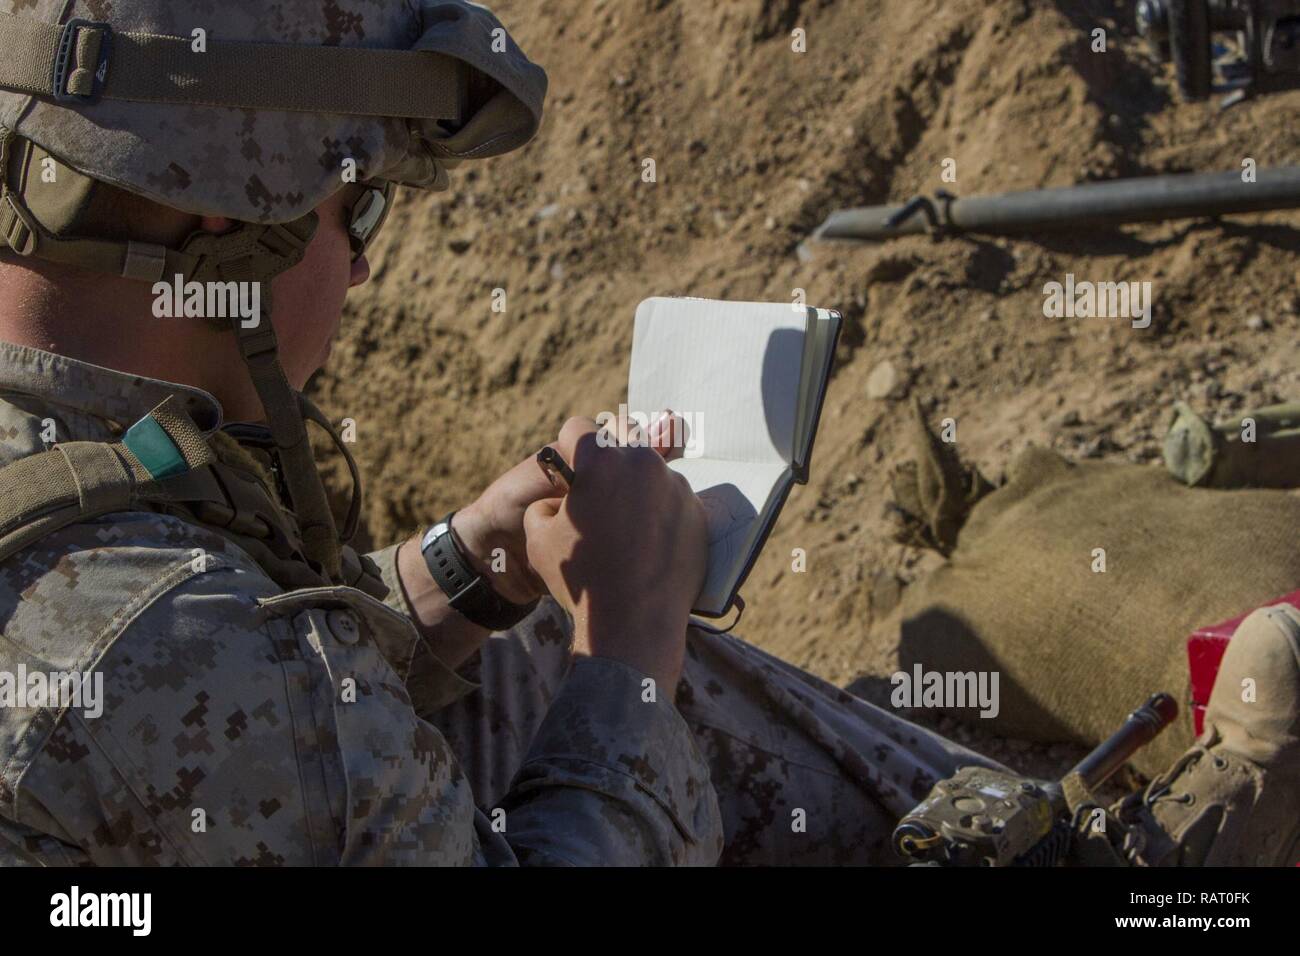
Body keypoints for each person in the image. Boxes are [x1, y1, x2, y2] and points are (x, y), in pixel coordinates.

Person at [0, 0, 1292, 867]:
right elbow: (226, 689)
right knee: (614, 681)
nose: (365, 266)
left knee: (505, 663)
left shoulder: (82, 481)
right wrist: (628, 650)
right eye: (362, 215)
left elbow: (247, 705)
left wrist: (461, 572)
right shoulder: (175, 646)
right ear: (235, 232)